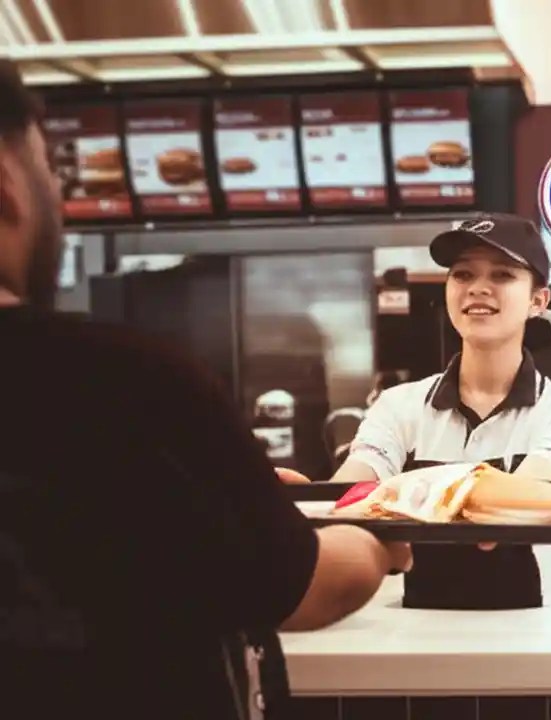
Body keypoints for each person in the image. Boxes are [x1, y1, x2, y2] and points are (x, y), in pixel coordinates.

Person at [0, 61, 409, 717]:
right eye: (49, 166)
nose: (59, 190)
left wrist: (235, 495)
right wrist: (377, 537)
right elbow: (306, 587)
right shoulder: (131, 386)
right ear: (8, 188)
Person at [313, 215, 551, 610]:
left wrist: (394, 498)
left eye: (502, 275)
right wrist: (317, 502)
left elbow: (522, 494)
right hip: (410, 631)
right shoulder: (399, 404)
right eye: (463, 274)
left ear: (538, 301)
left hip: (530, 632)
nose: (478, 288)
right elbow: (355, 483)